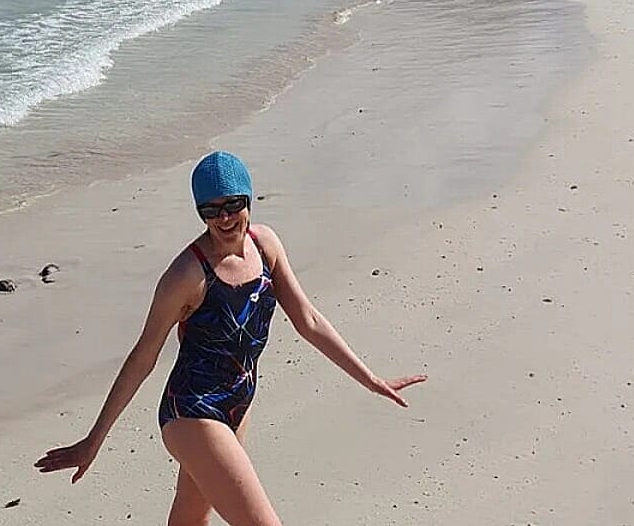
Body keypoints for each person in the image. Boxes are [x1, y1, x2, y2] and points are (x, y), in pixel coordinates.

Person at [35, 151, 427, 525]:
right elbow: (143, 356)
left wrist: (371, 380)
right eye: (210, 210)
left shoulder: (266, 246)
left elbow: (307, 319)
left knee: (191, 517)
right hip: (191, 411)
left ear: (249, 199)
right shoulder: (187, 275)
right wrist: (94, 439)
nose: (223, 218)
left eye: (232, 205)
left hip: (237, 405)